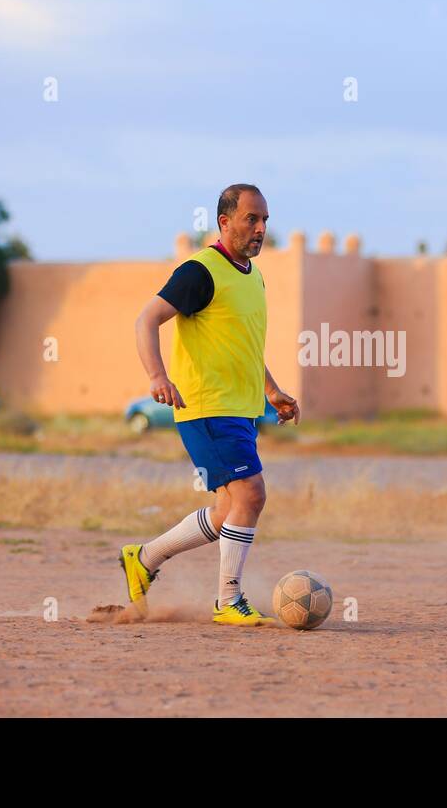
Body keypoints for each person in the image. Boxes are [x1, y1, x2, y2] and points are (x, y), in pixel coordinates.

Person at [120, 184, 299, 626]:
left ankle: (143, 558)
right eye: (251, 219)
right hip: (205, 407)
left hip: (240, 410)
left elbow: (243, 347)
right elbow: (146, 320)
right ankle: (227, 599)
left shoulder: (252, 275)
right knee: (252, 493)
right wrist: (157, 376)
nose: (260, 229)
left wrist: (271, 390)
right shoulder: (200, 271)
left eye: (265, 221)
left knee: (226, 511)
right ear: (224, 222)